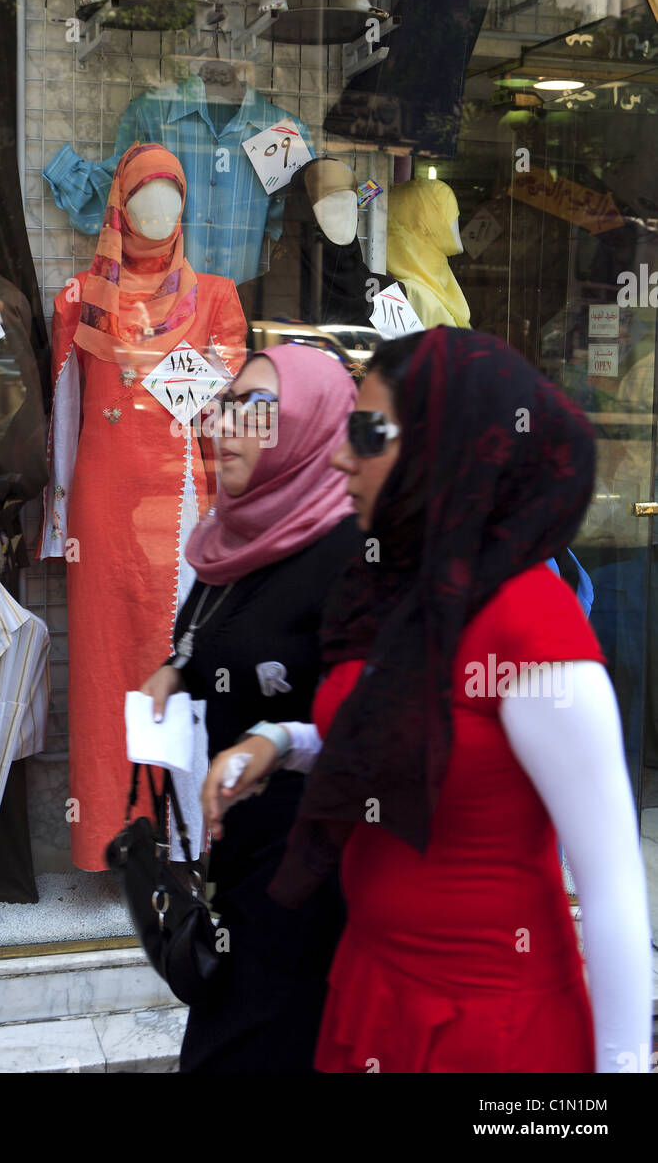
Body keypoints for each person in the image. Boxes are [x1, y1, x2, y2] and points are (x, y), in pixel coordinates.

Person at [205, 327, 653, 1074]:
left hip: (486, 1030)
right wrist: (282, 743)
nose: (342, 456)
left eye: (369, 434)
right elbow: (397, 734)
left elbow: (609, 887)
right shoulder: (401, 590)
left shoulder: (531, 627)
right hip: (373, 992)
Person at [141, 341, 360, 1073]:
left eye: (257, 410)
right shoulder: (233, 535)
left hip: (312, 869)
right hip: (237, 853)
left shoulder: (348, 552)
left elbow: (375, 720)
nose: (227, 424)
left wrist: (275, 739)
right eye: (227, 405)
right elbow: (205, 632)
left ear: (309, 426)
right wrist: (176, 669)